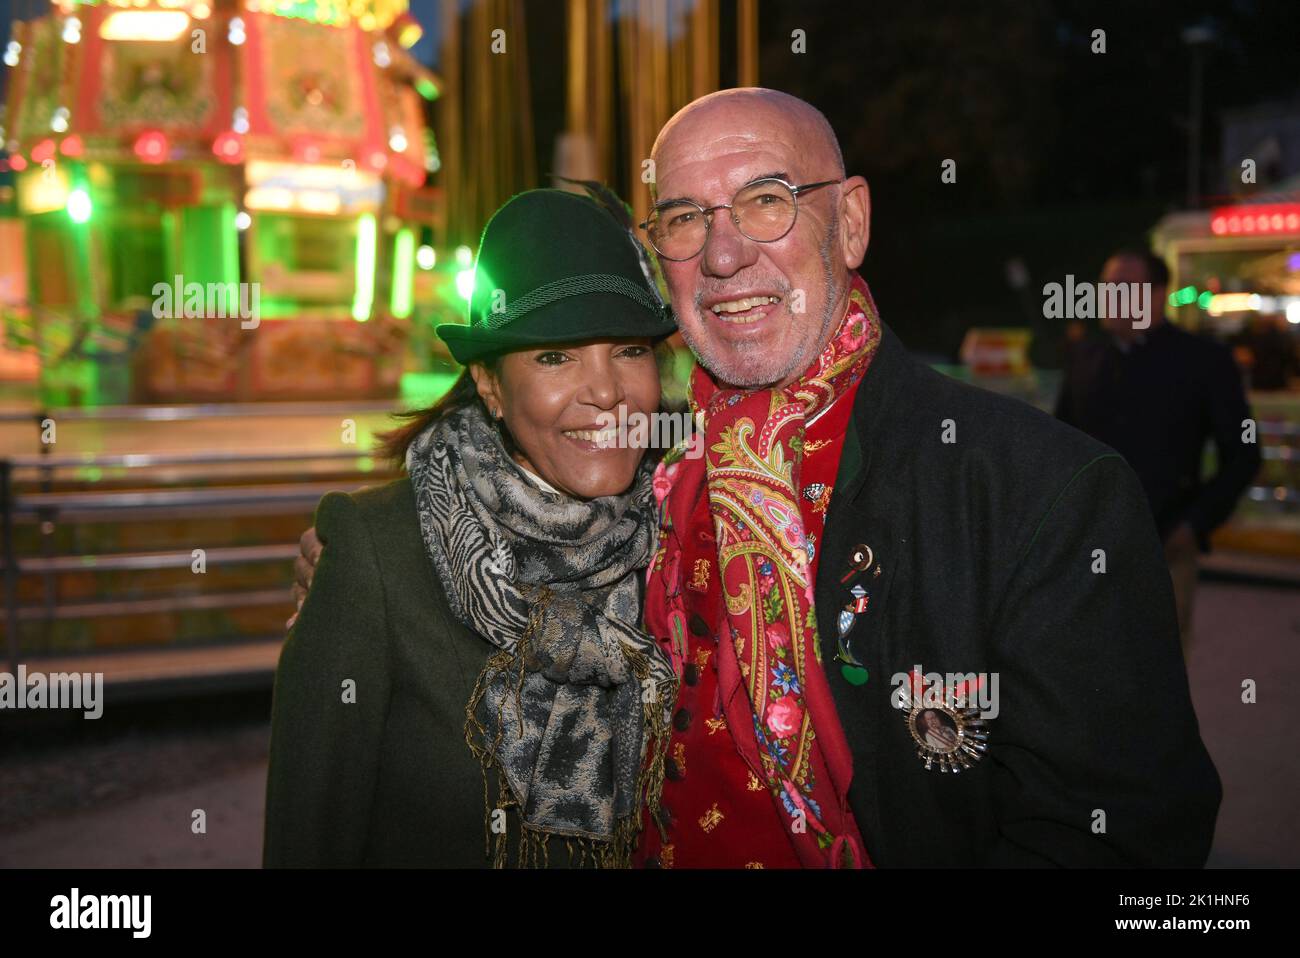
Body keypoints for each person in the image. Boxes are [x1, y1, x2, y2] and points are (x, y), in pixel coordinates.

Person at [296, 89, 1222, 868]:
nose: (726, 252)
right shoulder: (645, 473)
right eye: (688, 217)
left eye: (768, 199)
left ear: (850, 221)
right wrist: (369, 557)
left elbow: (1126, 839)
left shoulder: (1037, 493)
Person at [264, 188, 679, 867]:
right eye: (556, 357)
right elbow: (307, 839)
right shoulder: (379, 555)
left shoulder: (689, 536)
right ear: (488, 383)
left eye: (629, 350)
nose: (606, 392)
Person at [1055, 249, 1261, 650]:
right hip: (1086, 546)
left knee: (1158, 672)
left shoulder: (1204, 361)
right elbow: (1060, 444)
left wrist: (1193, 524)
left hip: (1166, 542)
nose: (1109, 297)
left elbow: (1244, 454)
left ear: (1157, 295)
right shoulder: (1086, 357)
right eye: (1106, 287)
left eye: (1123, 288)